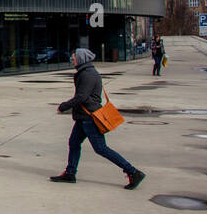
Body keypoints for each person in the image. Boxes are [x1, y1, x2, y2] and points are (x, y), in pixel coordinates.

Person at [51, 48, 145, 189]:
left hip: (90, 117)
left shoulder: (87, 74)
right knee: (74, 143)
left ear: (82, 59)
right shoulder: (86, 72)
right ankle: (70, 173)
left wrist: (64, 106)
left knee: (101, 148)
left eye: (74, 57)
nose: (73, 60)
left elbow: (81, 97)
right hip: (83, 117)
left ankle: (132, 171)